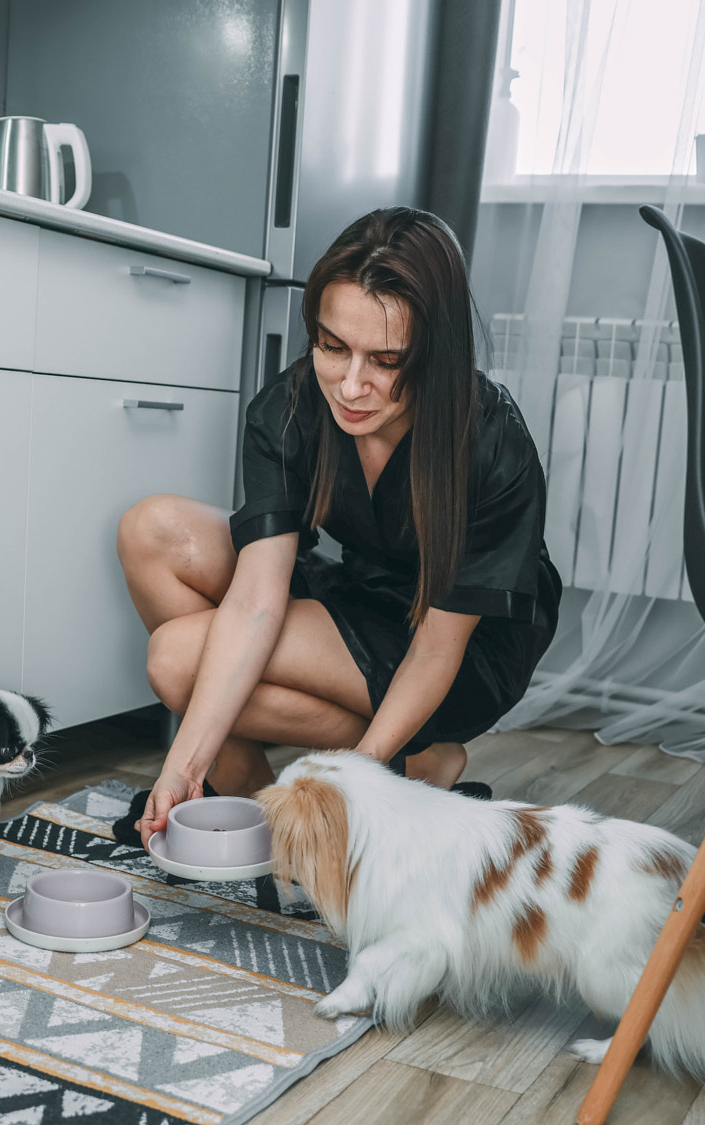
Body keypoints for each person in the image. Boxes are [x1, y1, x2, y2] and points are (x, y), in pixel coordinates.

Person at [114, 207, 561, 848]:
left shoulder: (490, 442)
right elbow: (256, 599)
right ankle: (241, 780)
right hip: (362, 593)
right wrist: (179, 768)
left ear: (435, 355)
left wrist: (359, 785)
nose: (352, 386)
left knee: (178, 659)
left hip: (464, 649)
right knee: (150, 529)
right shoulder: (294, 406)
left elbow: (438, 647)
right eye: (333, 347)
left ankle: (405, 761)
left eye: (386, 360)